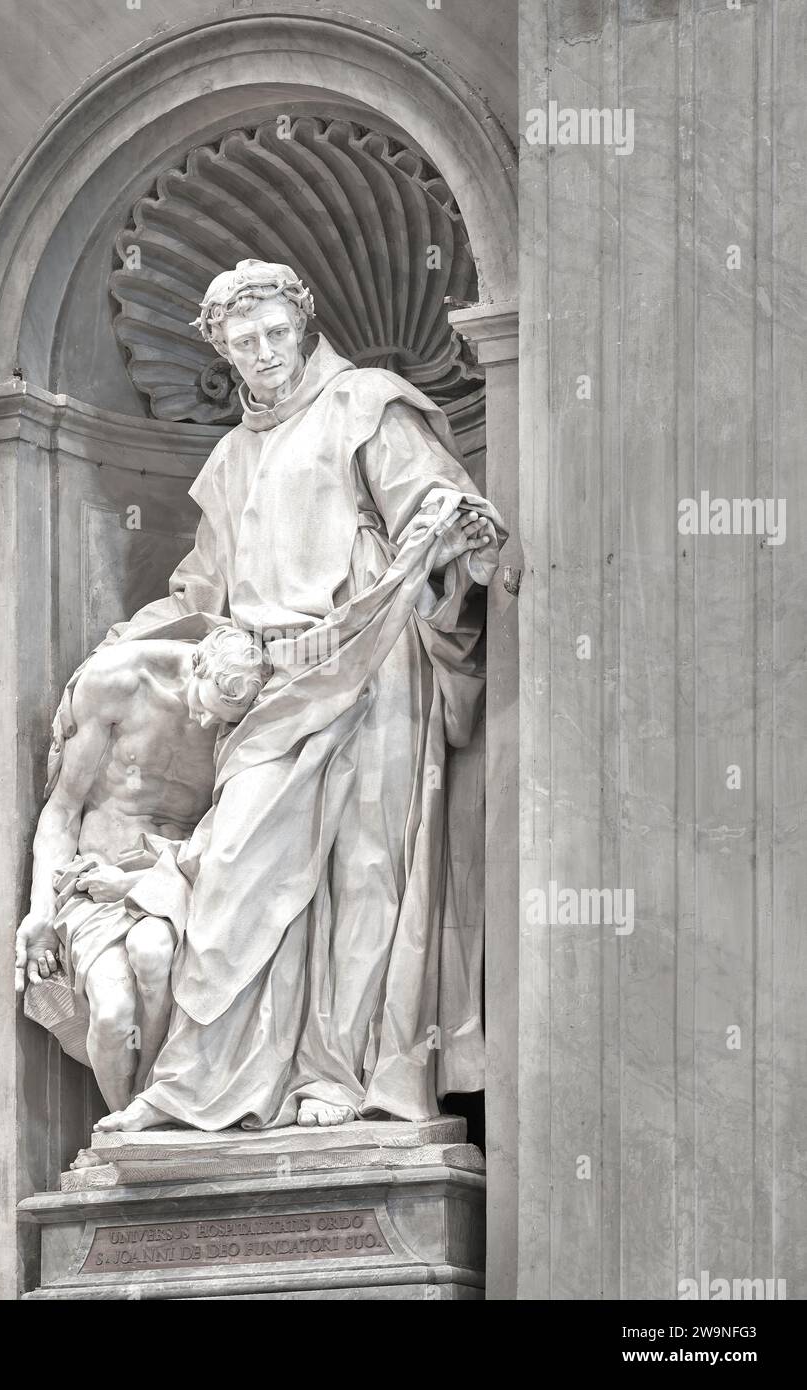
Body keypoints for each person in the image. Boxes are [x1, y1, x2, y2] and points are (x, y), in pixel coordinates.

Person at [93, 259, 507, 1132]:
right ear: (221, 352)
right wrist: (138, 639)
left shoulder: (366, 403)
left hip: (375, 661)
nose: (265, 350)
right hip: (274, 685)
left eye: (277, 331)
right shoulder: (228, 459)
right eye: (244, 341)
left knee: (365, 871)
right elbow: (202, 590)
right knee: (234, 870)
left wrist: (463, 538)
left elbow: (436, 507)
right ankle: (200, 1080)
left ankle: (338, 1071)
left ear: (304, 324)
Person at [14, 625, 270, 1118]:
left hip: (174, 885)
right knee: (111, 1014)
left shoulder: (251, 722)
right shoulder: (118, 680)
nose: (204, 720)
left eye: (221, 720)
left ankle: (154, 1106)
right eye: (203, 704)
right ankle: (125, 1123)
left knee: (151, 952)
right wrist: (40, 913)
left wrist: (149, 882)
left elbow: (231, 839)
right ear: (196, 664)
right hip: (95, 886)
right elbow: (63, 810)